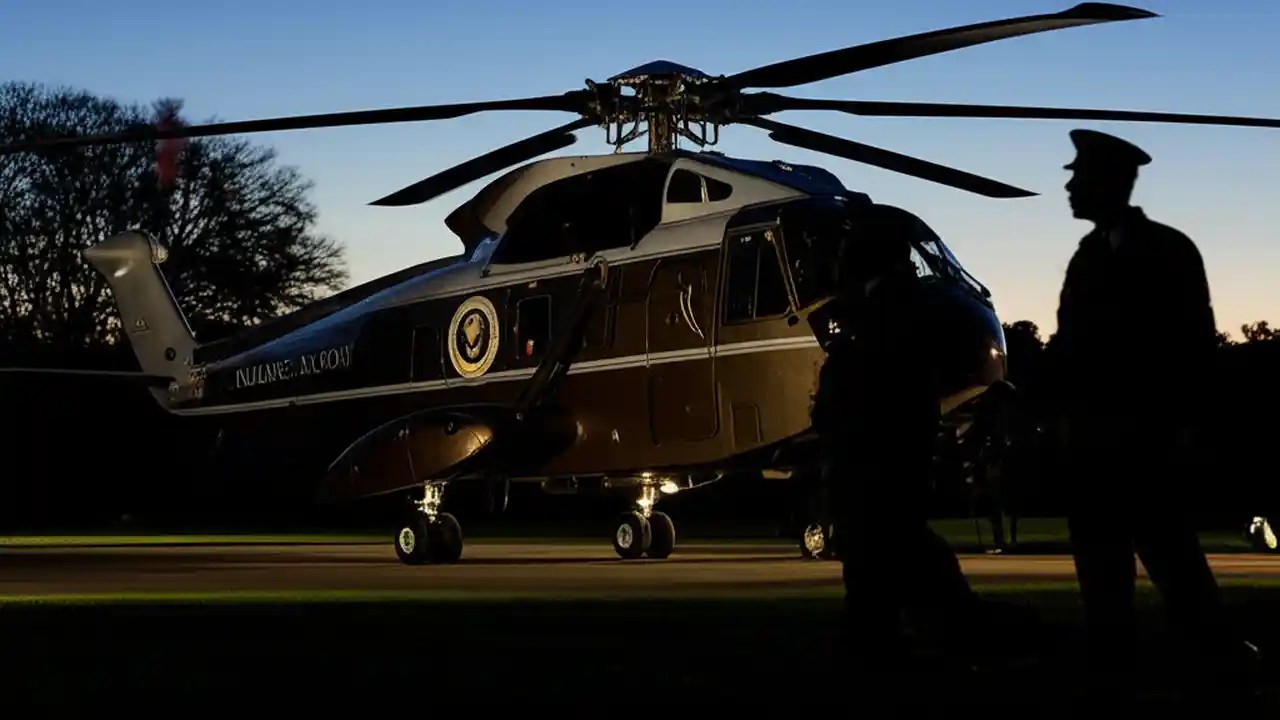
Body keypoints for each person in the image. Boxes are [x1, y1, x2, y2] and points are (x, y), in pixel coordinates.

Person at [1048, 128, 1260, 696]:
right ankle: (1115, 664)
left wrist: (1185, 425)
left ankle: (1223, 661)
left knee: (1171, 556)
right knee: (1101, 563)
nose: (1069, 184)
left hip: (1144, 435)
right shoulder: (1089, 256)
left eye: (1079, 175)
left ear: (1109, 182)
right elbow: (1071, 346)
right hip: (1093, 438)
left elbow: (1194, 345)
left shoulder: (1166, 249)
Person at [809, 207, 984, 672]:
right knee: (893, 560)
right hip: (880, 463)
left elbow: (870, 386)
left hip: (875, 463)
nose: (841, 260)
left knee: (882, 561)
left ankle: (890, 648)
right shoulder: (889, 307)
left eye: (849, 249)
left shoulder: (887, 312)